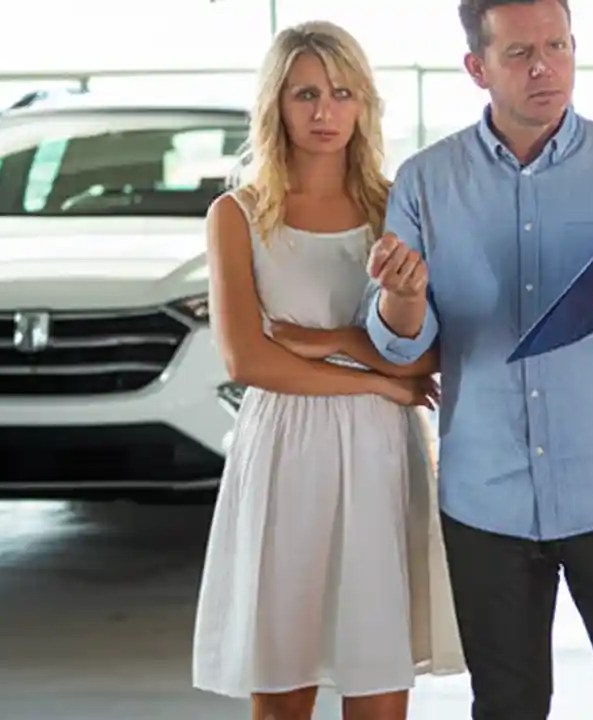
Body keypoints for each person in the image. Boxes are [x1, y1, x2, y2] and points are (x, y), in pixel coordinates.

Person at [362, 1, 593, 718]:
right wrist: (402, 298)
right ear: (476, 67)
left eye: (557, 45)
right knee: (506, 705)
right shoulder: (426, 182)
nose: (543, 67)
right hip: (485, 497)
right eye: (520, 52)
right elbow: (400, 340)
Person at [191, 20, 464, 720]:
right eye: (305, 94)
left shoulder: (395, 205)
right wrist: (375, 380)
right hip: (284, 454)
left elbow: (431, 352)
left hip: (380, 456)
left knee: (378, 688)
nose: (324, 112)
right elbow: (248, 358)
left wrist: (327, 341)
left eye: (342, 93)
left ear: (363, 104)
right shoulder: (238, 214)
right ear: (274, 105)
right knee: (282, 691)